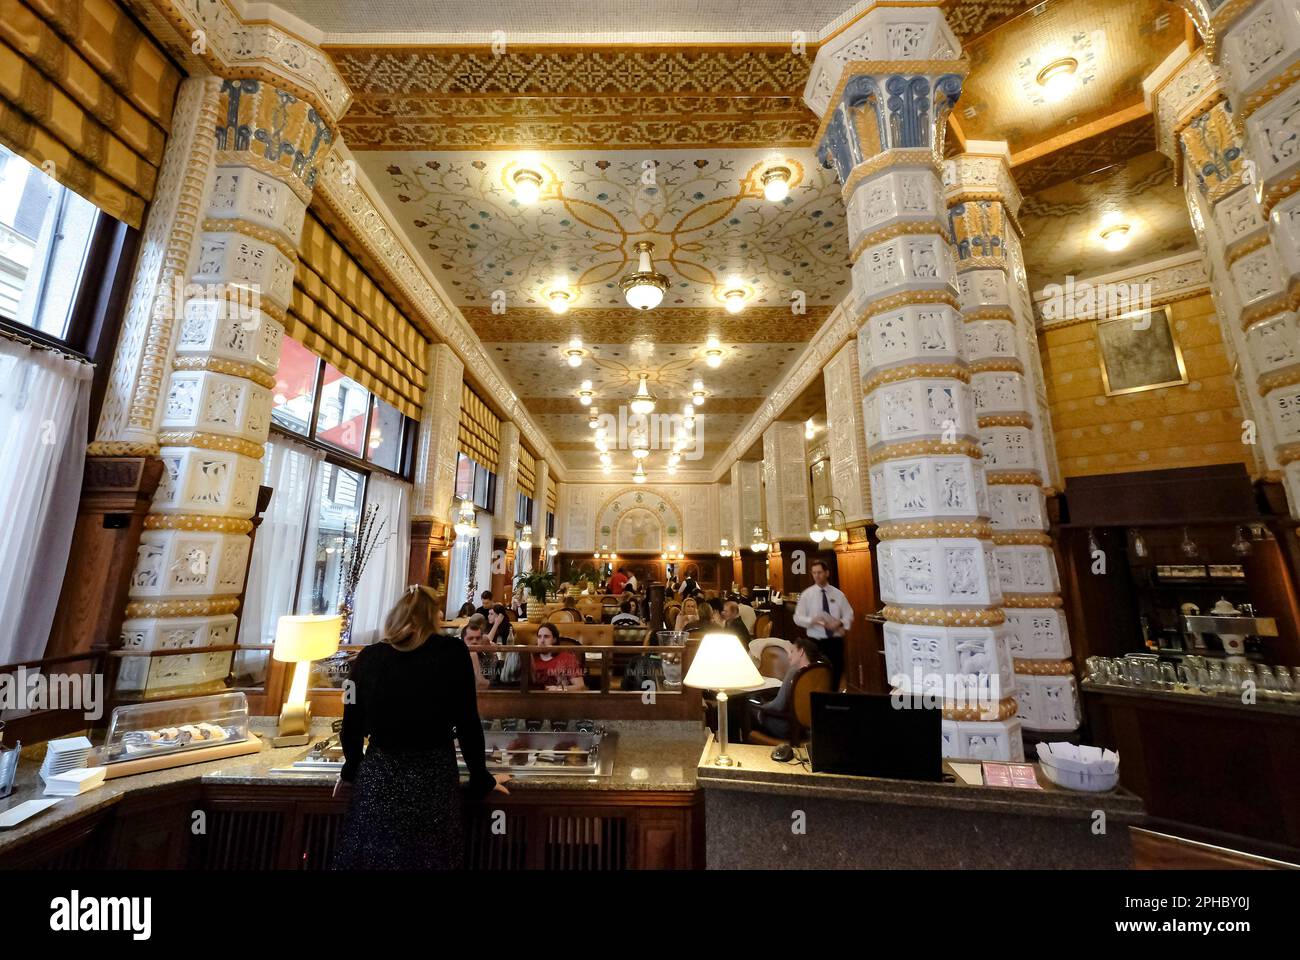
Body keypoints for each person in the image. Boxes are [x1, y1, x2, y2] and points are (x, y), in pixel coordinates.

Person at [334, 585, 509, 870]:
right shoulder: (452, 652)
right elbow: (467, 721)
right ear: (433, 617)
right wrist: (481, 778)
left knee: (374, 859)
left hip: (380, 778)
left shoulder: (369, 657)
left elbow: (350, 723)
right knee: (430, 859)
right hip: (432, 777)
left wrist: (353, 768)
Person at [749, 636, 823, 742]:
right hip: (810, 729)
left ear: (801, 651)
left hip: (788, 727)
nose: (789, 656)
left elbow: (778, 706)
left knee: (749, 708)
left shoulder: (795, 672)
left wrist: (761, 707)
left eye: (792, 652)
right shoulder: (819, 670)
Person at [793, 559, 853, 686]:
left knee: (836, 672)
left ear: (827, 573)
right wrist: (811, 620)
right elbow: (797, 617)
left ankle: (833, 699)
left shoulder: (838, 594)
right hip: (815, 642)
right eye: (814, 573)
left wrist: (839, 623)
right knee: (816, 674)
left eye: (819, 572)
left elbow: (849, 614)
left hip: (835, 641)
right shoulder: (807, 595)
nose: (817, 576)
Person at [531, 621, 586, 691]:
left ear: (554, 640)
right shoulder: (530, 657)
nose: (542, 641)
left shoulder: (567, 658)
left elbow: (580, 687)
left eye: (546, 637)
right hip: (534, 698)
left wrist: (558, 689)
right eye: (539, 637)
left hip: (560, 698)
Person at [460, 614, 493, 688]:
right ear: (463, 640)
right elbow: (481, 683)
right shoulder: (457, 657)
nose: (474, 641)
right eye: (470, 638)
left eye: (478, 638)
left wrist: (489, 651)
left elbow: (491, 679)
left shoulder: (485, 657)